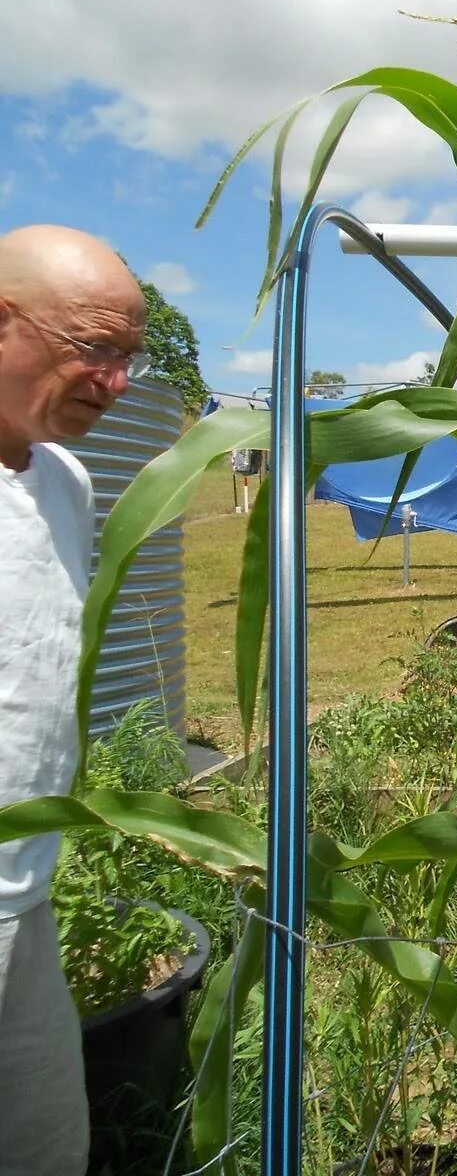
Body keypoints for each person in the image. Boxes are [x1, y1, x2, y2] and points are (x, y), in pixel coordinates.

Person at [0, 225, 147, 1175]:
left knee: (47, 1148)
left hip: (25, 901)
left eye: (129, 357)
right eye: (94, 347)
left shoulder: (69, 480)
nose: (117, 382)